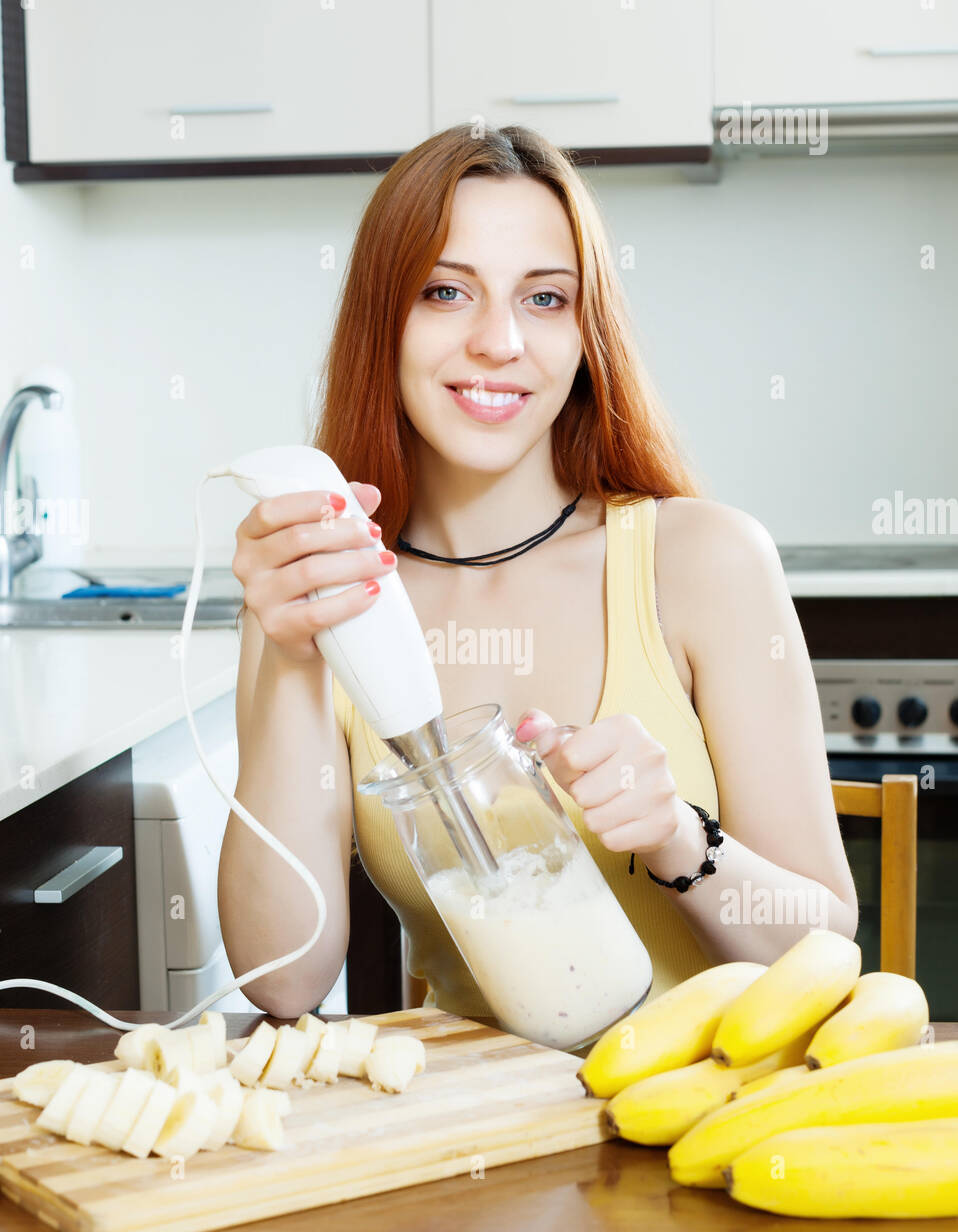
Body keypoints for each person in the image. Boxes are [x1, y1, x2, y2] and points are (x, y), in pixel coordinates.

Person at [219, 123, 858, 1022]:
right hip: (481, 1136)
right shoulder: (320, 591)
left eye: (545, 299)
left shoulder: (708, 562)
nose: (499, 341)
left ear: (586, 333)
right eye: (446, 292)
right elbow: (279, 980)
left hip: (701, 1121)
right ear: (384, 320)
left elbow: (826, 946)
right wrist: (289, 655)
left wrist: (678, 835)